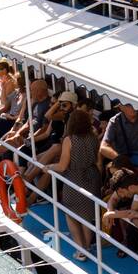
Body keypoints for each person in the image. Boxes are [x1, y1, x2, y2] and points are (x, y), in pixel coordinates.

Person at [46, 108, 103, 261]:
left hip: (74, 178)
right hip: (92, 177)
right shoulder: (94, 137)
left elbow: (63, 166)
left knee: (71, 214)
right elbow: (98, 162)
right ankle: (87, 247)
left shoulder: (69, 139)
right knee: (87, 215)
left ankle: (81, 249)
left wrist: (49, 167)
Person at [100, 103, 138, 172]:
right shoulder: (115, 121)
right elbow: (103, 148)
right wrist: (121, 160)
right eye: (129, 105)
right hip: (125, 168)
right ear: (120, 107)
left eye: (134, 103)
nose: (134, 107)